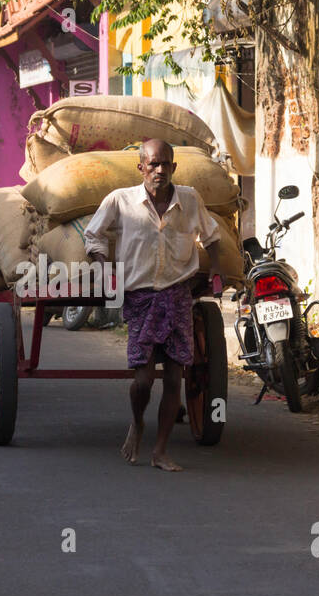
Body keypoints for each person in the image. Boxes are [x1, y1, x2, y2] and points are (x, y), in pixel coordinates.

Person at [84, 139, 222, 473]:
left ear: (174, 167)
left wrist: (216, 267)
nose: (160, 170)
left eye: (166, 165)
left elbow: (213, 236)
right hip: (140, 297)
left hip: (177, 296)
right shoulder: (121, 200)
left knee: (175, 378)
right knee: (143, 381)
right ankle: (138, 422)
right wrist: (102, 263)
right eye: (153, 164)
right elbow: (93, 235)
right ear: (141, 167)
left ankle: (160, 451)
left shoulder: (188, 199)